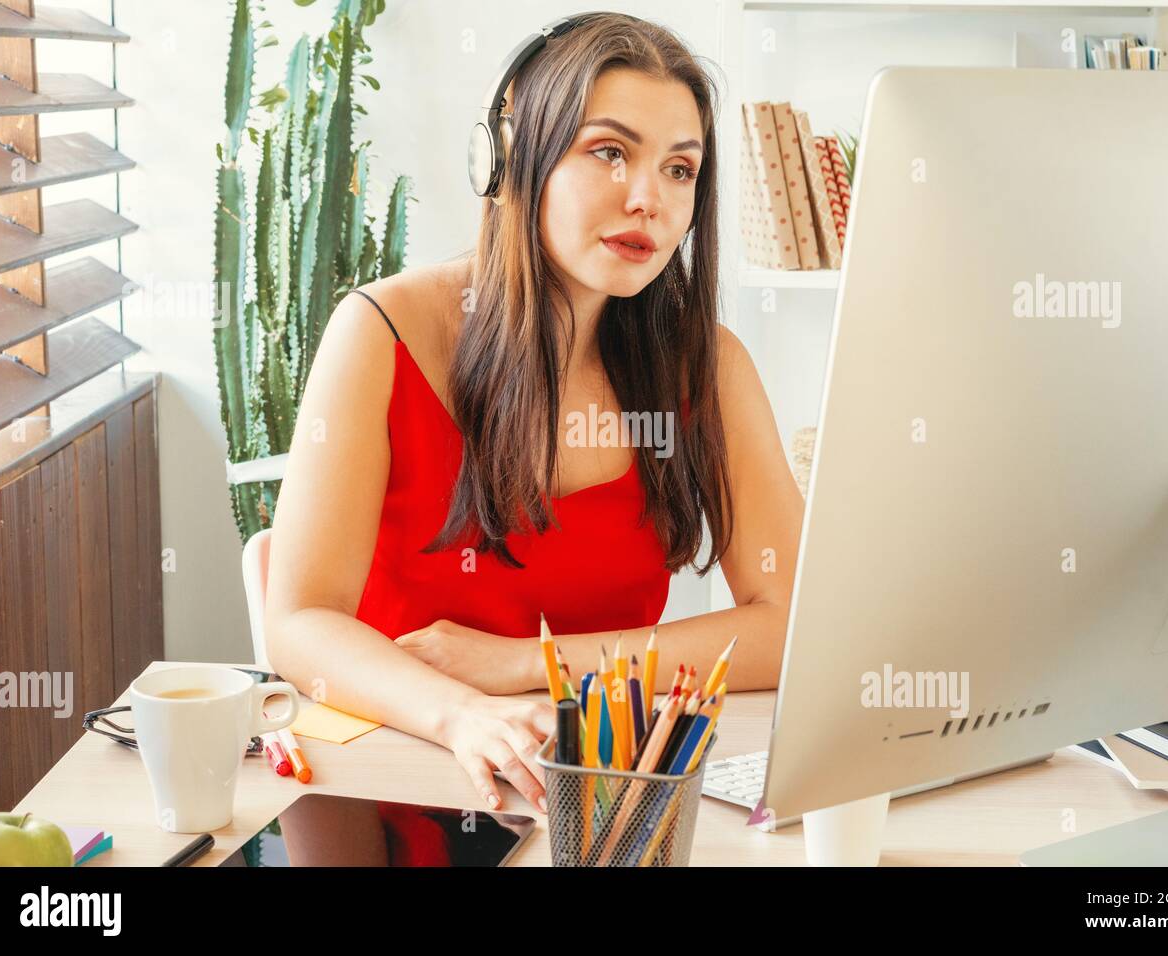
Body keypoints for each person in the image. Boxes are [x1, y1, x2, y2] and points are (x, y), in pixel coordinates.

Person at [265, 12, 803, 815]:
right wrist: (463, 714)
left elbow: (791, 622)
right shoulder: (379, 332)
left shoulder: (708, 365)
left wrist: (526, 664)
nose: (648, 198)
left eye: (680, 169)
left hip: (609, 795)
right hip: (406, 785)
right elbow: (300, 622)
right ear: (512, 159)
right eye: (610, 152)